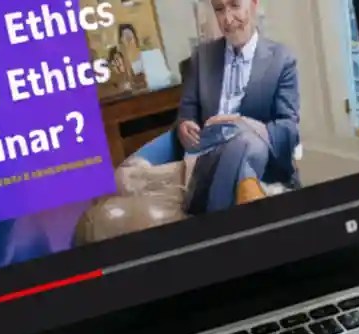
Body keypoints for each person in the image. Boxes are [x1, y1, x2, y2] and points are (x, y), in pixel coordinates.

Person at [128, 0, 300, 213]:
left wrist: (246, 125)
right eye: (219, 9)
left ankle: (188, 183)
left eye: (235, 5)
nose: (227, 19)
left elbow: (288, 129)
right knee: (124, 174)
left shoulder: (281, 59)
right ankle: (198, 173)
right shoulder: (202, 56)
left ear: (254, 3)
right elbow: (187, 108)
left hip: (253, 144)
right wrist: (185, 124)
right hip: (205, 142)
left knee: (243, 142)